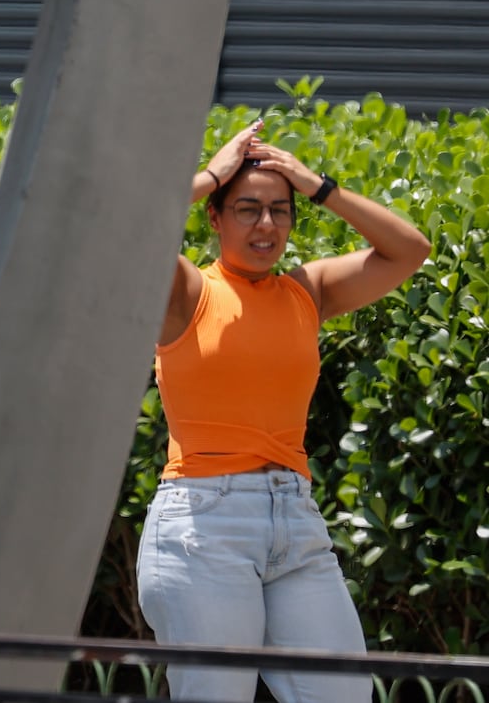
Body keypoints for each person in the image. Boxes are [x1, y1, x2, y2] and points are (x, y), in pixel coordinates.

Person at [138, 119, 430, 703]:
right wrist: (214, 172)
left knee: (343, 695)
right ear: (215, 217)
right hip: (203, 524)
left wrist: (318, 185)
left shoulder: (308, 290)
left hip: (295, 522)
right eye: (246, 208)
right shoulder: (187, 292)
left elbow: (410, 250)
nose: (267, 224)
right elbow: (132, 225)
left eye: (280, 209)